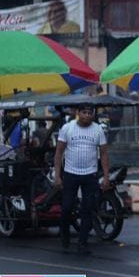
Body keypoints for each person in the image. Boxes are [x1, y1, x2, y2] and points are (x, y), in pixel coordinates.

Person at [53, 103, 109, 255]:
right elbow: (59, 153)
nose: (87, 116)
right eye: (84, 112)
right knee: (66, 207)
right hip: (70, 174)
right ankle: (64, 233)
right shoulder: (67, 128)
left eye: (90, 113)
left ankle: (82, 242)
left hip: (90, 174)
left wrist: (106, 177)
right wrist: (57, 176)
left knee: (88, 209)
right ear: (78, 112)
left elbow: (104, 154)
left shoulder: (98, 130)